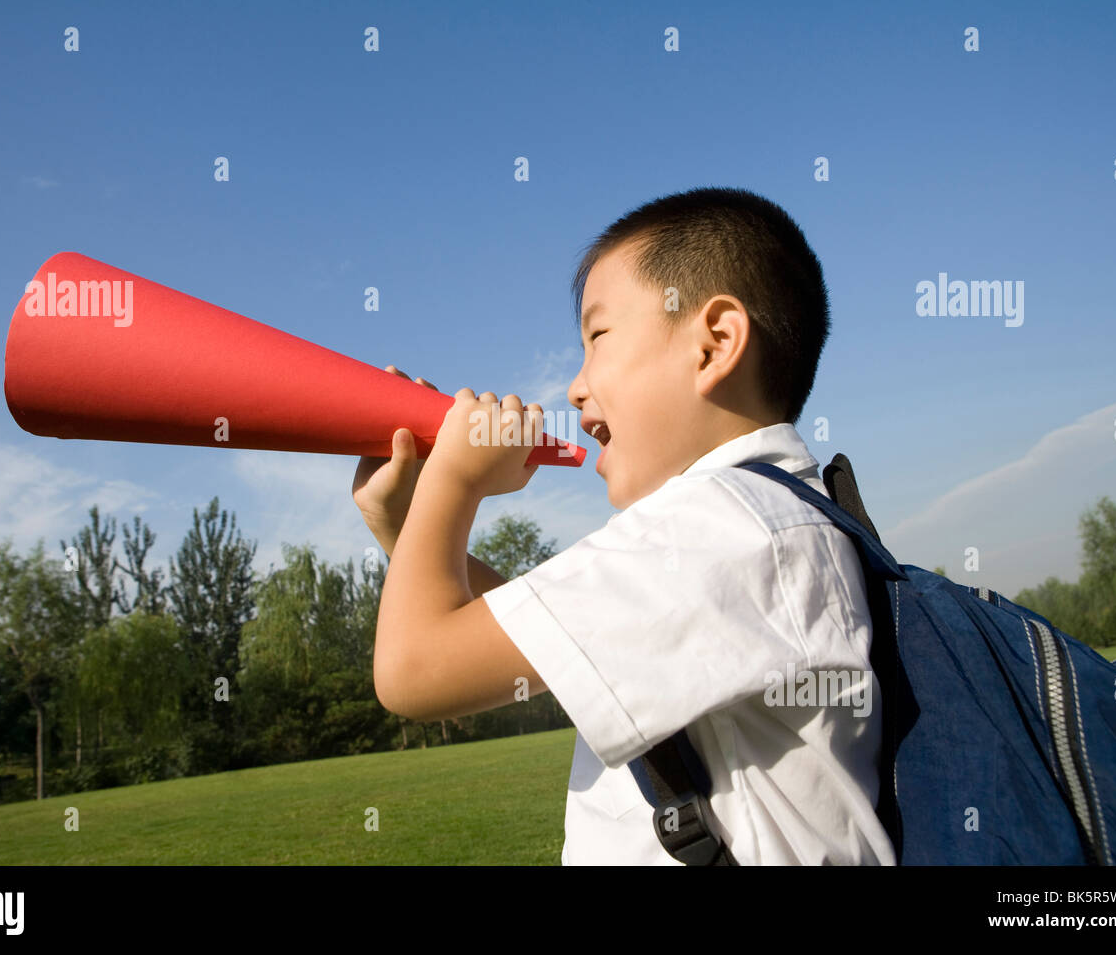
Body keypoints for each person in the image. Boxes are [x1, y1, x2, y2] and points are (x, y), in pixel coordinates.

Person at [353, 186, 896, 865]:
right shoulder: (761, 519)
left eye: (597, 338)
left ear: (715, 344)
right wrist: (408, 522)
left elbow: (414, 669)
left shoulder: (719, 526)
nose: (576, 387)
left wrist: (455, 479)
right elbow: (516, 636)